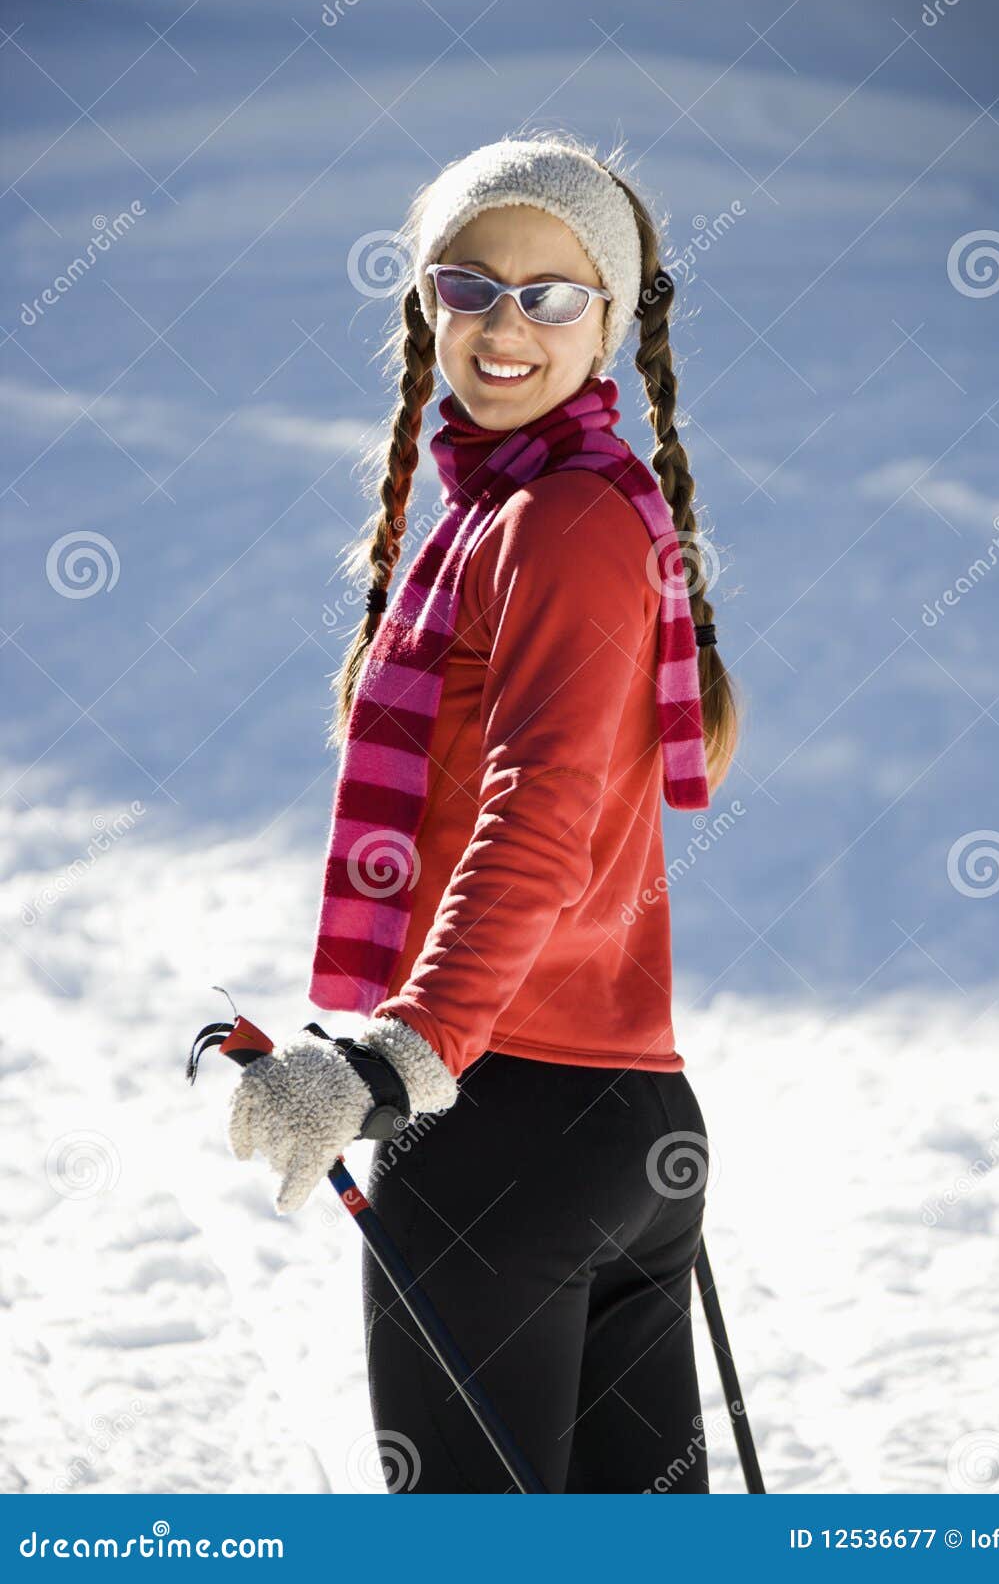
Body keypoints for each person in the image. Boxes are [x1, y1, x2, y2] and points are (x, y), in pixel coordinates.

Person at [227, 131, 741, 1493]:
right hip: (631, 1132)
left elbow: (540, 817)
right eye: (470, 288)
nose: (506, 325)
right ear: (426, 308)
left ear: (612, 324)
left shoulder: (553, 524)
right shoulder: (536, 519)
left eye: (552, 294)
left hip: (501, 1132)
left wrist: (397, 1058)